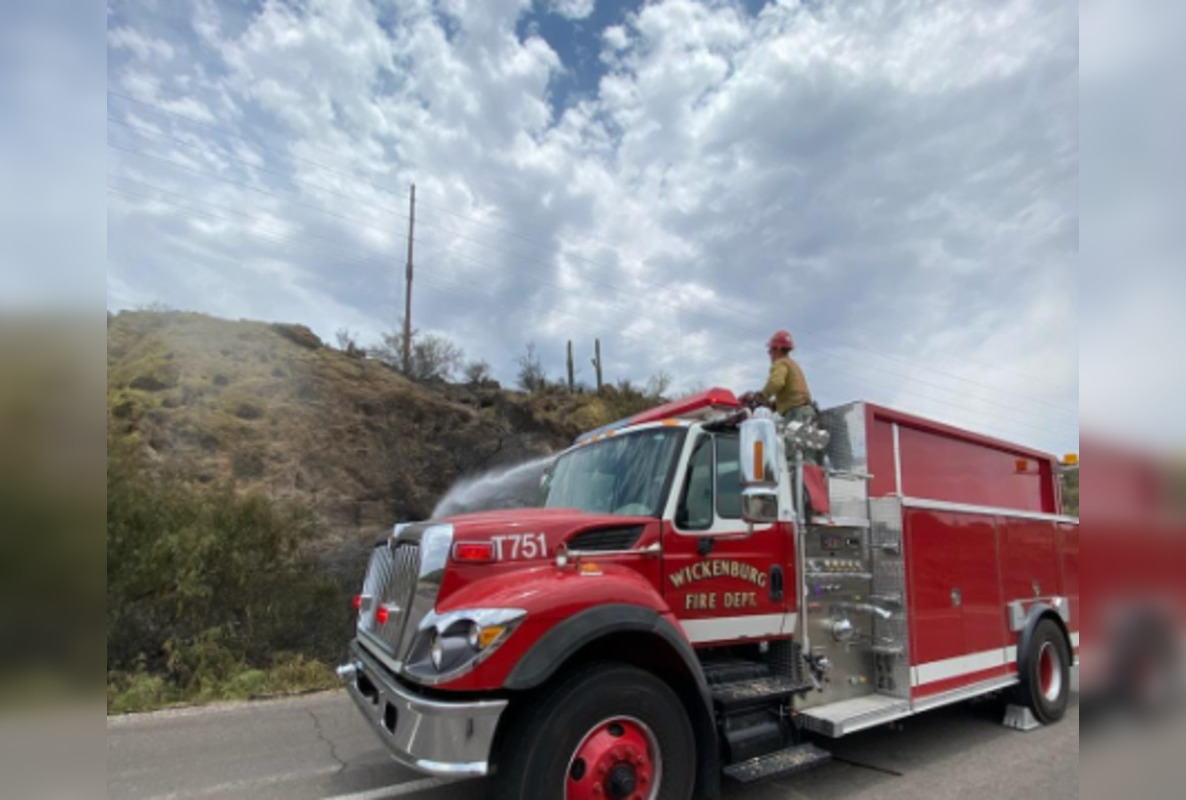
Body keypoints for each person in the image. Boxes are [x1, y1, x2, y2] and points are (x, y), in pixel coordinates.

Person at [758, 330, 816, 425]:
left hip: (795, 413)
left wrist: (762, 396)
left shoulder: (780, 363)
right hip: (807, 411)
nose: (769, 353)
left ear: (778, 348)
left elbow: (776, 382)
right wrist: (774, 405)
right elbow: (793, 393)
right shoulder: (792, 364)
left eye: (771, 349)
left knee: (791, 434)